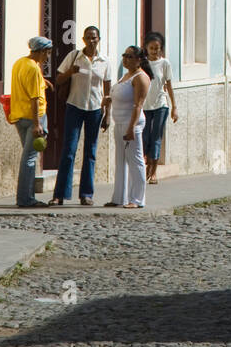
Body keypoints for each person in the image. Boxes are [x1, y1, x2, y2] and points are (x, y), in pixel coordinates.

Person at [50, 26, 111, 206]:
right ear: (83, 40)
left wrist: (108, 114)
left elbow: (107, 89)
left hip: (95, 109)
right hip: (75, 106)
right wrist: (71, 72)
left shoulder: (104, 61)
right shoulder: (74, 56)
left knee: (90, 152)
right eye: (88, 38)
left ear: (99, 39)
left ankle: (86, 194)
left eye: (95, 38)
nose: (92, 41)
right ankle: (60, 194)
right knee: (69, 150)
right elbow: (59, 79)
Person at [106, 46, 152, 209]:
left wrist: (131, 128)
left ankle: (137, 199)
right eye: (124, 55)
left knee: (135, 160)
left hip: (131, 123)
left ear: (139, 60)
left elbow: (138, 105)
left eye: (129, 56)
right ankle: (119, 197)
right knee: (120, 160)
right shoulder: (126, 75)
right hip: (119, 122)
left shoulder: (141, 78)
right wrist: (109, 100)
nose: (125, 59)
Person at [9, 36, 52, 208]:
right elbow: (34, 98)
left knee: (29, 157)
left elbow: (27, 85)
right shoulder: (34, 69)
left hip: (20, 116)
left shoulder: (20, 63)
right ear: (41, 51)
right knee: (29, 159)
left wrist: (43, 82)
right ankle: (25, 198)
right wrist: (37, 124)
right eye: (47, 53)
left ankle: (27, 196)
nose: (47, 57)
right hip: (33, 118)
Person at [141, 31, 177, 185]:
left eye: (157, 48)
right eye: (152, 48)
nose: (155, 51)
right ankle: (145, 167)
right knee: (145, 138)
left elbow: (168, 85)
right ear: (146, 48)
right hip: (144, 106)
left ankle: (153, 172)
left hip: (161, 105)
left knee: (156, 138)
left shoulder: (165, 64)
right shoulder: (142, 64)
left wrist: (174, 107)